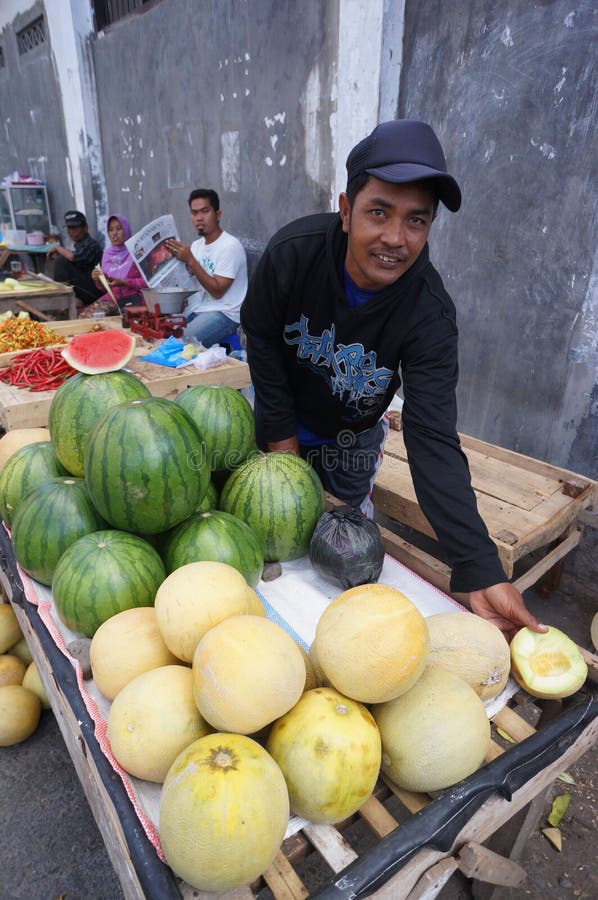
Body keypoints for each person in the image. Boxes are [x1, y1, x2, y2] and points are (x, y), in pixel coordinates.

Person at [241, 118, 547, 641]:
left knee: (341, 567)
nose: (395, 239)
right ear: (345, 210)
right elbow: (261, 335)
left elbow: (431, 437)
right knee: (268, 557)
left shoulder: (428, 313)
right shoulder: (293, 253)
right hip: (280, 420)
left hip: (352, 439)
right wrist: (282, 446)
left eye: (416, 221)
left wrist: (478, 567)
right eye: (378, 212)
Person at [164, 189, 247, 346]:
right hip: (199, 308)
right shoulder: (197, 245)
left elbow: (217, 291)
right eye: (194, 213)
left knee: (179, 345)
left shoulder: (229, 246)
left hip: (224, 313)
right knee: (161, 337)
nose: (199, 218)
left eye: (205, 211)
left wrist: (191, 260)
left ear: (218, 214)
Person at [81, 213, 148, 318]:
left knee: (128, 323)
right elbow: (105, 288)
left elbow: (147, 282)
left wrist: (125, 282)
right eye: (110, 230)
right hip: (114, 298)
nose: (114, 233)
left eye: (119, 229)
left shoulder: (137, 251)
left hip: (136, 298)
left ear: (126, 230)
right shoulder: (107, 254)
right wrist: (98, 279)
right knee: (85, 317)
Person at [47, 210, 103, 309]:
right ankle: (68, 297)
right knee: (62, 261)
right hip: (85, 288)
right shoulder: (80, 245)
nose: (72, 231)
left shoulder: (91, 244)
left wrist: (57, 248)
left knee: (61, 261)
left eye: (75, 228)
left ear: (85, 228)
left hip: (96, 291)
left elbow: (73, 257)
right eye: (69, 228)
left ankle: (66, 298)